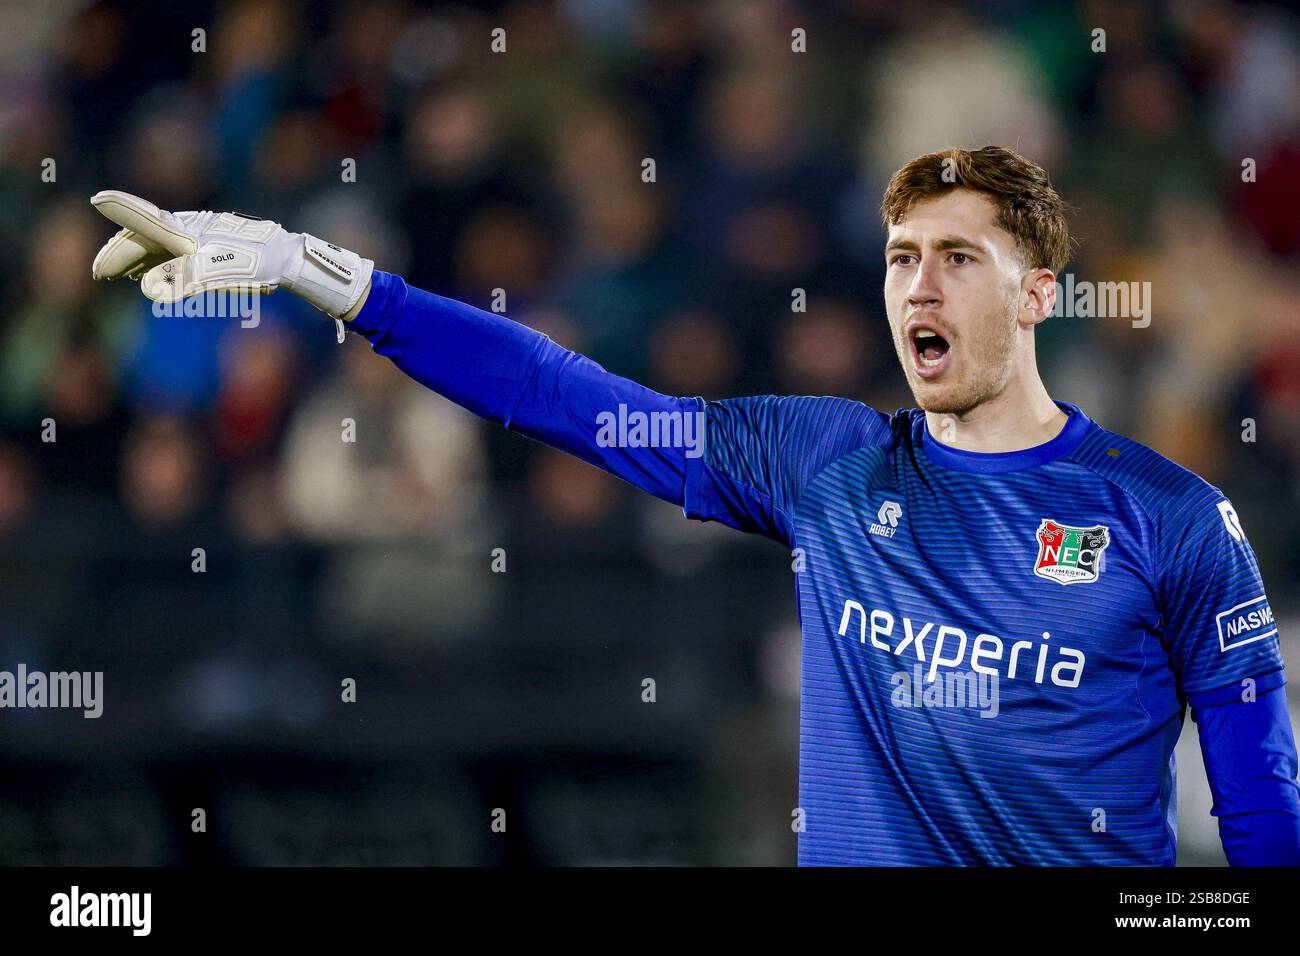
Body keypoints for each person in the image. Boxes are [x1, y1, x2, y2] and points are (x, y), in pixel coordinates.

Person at [88, 145, 1300, 865]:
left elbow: (1255, 800)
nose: (916, 285)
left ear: (1037, 293)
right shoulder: (822, 459)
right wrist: (333, 276)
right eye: (899, 257)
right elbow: (564, 396)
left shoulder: (1169, 519)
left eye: (957, 258)